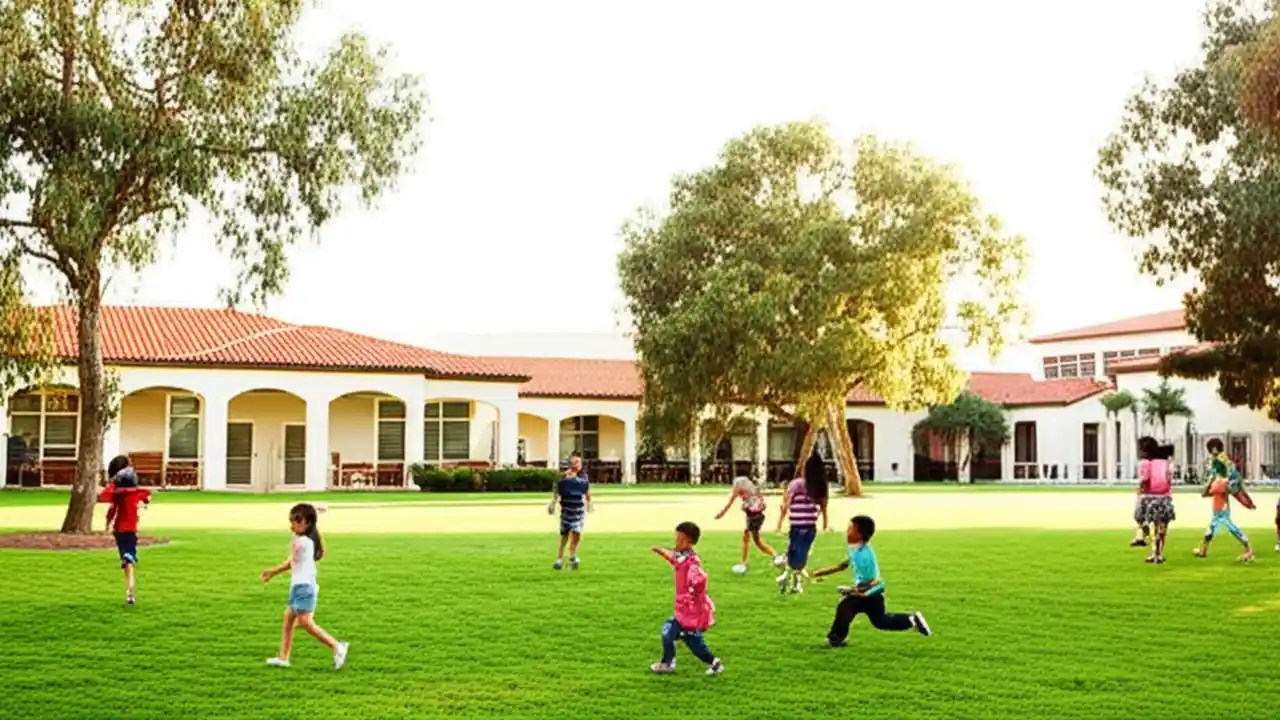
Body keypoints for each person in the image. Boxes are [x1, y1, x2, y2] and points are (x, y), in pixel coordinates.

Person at [813, 515, 931, 647]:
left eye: (850, 529)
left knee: (850, 609)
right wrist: (820, 572)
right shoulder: (857, 548)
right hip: (866, 593)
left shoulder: (865, 555)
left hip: (871, 594)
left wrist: (857, 592)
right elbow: (844, 565)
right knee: (877, 620)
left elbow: (877, 582)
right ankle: (911, 619)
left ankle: (836, 638)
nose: (846, 532)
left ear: (860, 535)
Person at [261, 503, 349, 670]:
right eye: (292, 520)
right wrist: (273, 572)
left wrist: (273, 572)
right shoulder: (305, 541)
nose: (292, 524)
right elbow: (293, 563)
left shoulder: (302, 542)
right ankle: (283, 658)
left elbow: (291, 562)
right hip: (299, 587)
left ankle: (338, 647)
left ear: (307, 523)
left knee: (306, 623)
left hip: (304, 588)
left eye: (296, 521)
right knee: (288, 619)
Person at [649, 521, 724, 676]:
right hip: (683, 611)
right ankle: (670, 663)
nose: (676, 542)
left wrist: (695, 584)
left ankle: (713, 663)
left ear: (689, 541)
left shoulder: (692, 562)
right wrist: (661, 551)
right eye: (676, 538)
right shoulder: (682, 557)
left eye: (680, 539)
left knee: (690, 641)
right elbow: (673, 559)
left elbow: (698, 578)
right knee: (672, 634)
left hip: (690, 613)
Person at [98, 455, 151, 606]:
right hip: (131, 530)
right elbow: (146, 495)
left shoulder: (117, 496)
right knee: (129, 559)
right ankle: (130, 586)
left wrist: (107, 524)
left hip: (119, 530)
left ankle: (129, 584)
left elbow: (109, 505)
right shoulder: (135, 495)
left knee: (126, 559)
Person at [774, 453, 830, 594]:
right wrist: (825, 524)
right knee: (800, 556)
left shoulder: (798, 484)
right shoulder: (818, 486)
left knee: (799, 556)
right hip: (808, 527)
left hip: (798, 526)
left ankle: (788, 575)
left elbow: (785, 505)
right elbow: (824, 507)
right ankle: (791, 578)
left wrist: (780, 523)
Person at [1194, 439, 1254, 562]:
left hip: (1221, 494)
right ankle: (1203, 550)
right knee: (1214, 524)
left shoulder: (1221, 461)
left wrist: (1219, 485)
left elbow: (1230, 478)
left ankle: (1248, 548)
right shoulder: (1220, 461)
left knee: (1227, 525)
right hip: (1219, 493)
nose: (1213, 452)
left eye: (1214, 448)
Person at [714, 475, 778, 572]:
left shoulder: (742, 490)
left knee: (757, 542)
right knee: (747, 538)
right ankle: (745, 562)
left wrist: (721, 514)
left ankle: (775, 556)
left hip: (753, 517)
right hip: (756, 516)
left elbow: (731, 502)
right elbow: (763, 505)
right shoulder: (754, 490)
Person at [547, 452, 592, 570]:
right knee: (565, 536)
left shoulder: (583, 477)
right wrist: (552, 503)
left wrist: (589, 503)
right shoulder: (564, 477)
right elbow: (557, 490)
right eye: (575, 462)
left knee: (577, 534)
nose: (578, 464)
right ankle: (559, 559)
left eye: (579, 462)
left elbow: (587, 491)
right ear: (571, 464)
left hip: (578, 512)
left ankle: (572, 556)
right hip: (567, 511)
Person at [1135, 437, 1175, 564]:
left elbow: (1144, 480)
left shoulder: (1145, 463)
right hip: (1165, 497)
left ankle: (1153, 551)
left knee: (1147, 523)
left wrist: (1138, 495)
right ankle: (1159, 554)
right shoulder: (1165, 463)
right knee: (1162, 527)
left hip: (1149, 497)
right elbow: (1169, 479)